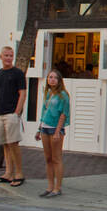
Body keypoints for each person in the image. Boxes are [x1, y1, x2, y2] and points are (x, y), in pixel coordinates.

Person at [0, 46, 27, 187]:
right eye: (6, 55)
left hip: (11, 114)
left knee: (13, 143)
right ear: (1, 56)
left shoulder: (18, 73)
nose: (9, 58)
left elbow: (23, 93)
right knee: (5, 144)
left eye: (11, 55)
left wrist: (17, 112)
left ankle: (19, 173)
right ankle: (8, 173)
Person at [34, 69, 70, 198]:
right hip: (45, 128)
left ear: (59, 80)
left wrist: (57, 132)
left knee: (56, 158)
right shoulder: (48, 93)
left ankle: (57, 188)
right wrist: (39, 129)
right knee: (48, 159)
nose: (52, 79)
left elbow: (63, 114)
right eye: (50, 77)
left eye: (55, 77)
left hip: (56, 129)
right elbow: (45, 111)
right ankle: (49, 186)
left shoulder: (63, 95)